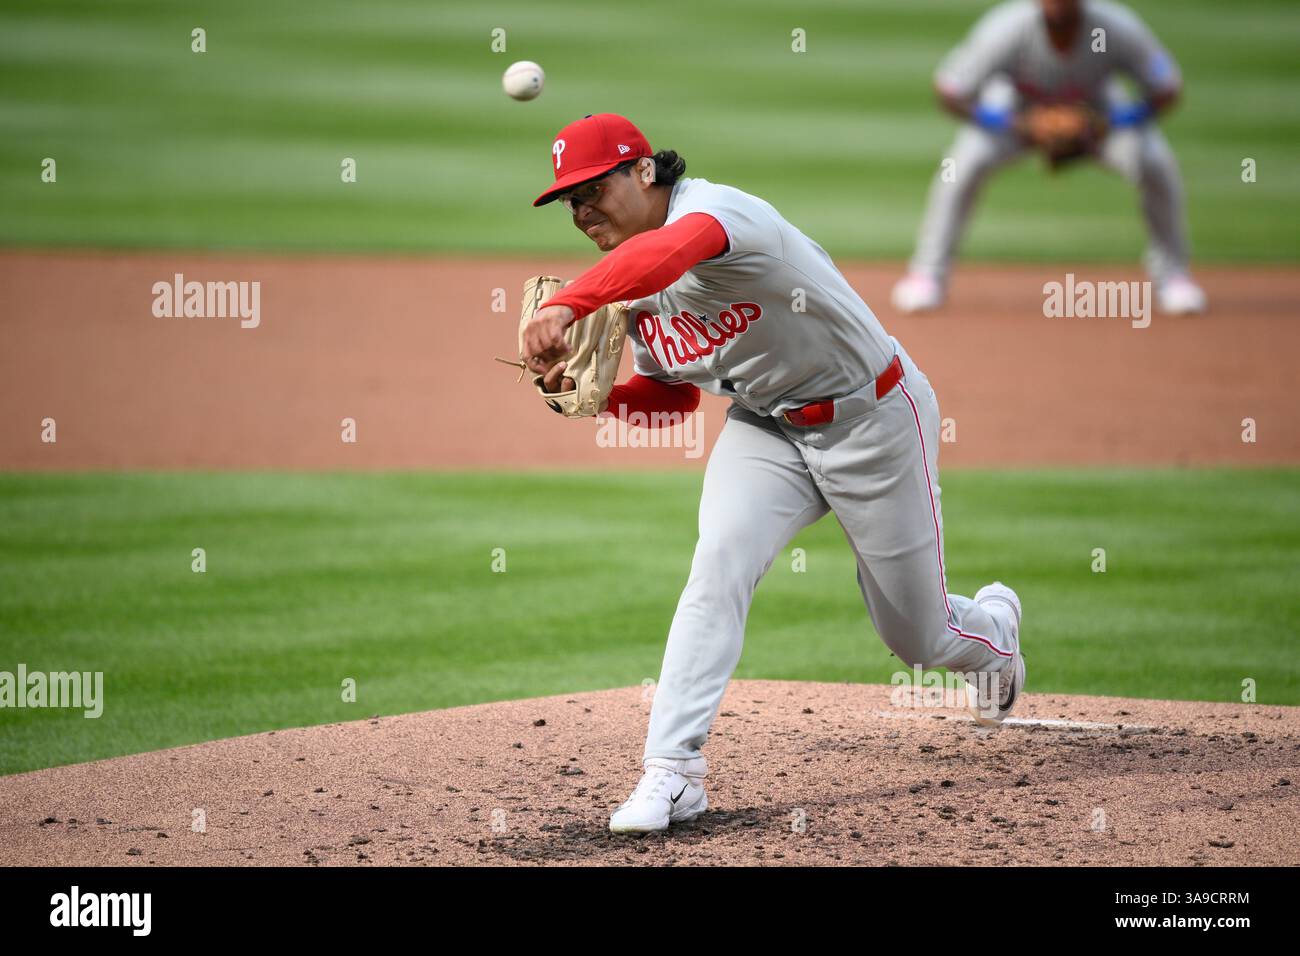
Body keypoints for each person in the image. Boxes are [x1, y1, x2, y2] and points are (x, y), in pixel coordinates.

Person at [523, 113, 1024, 835]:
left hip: (873, 417)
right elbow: (672, 400)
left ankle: (996, 636)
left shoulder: (715, 212)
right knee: (716, 565)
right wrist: (595, 397)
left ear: (644, 172)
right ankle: (673, 772)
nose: (581, 209)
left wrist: (569, 301)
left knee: (918, 636)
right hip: (767, 428)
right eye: (568, 201)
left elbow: (672, 253)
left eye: (592, 188)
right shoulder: (633, 293)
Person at [891, 0, 1206, 315]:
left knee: (1152, 162)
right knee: (961, 167)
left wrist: (1108, 124)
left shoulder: (1114, 27)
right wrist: (1017, 125)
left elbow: (1167, 88)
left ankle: (1173, 276)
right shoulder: (1008, 27)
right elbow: (949, 90)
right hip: (1017, 113)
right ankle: (927, 274)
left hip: (1097, 115)